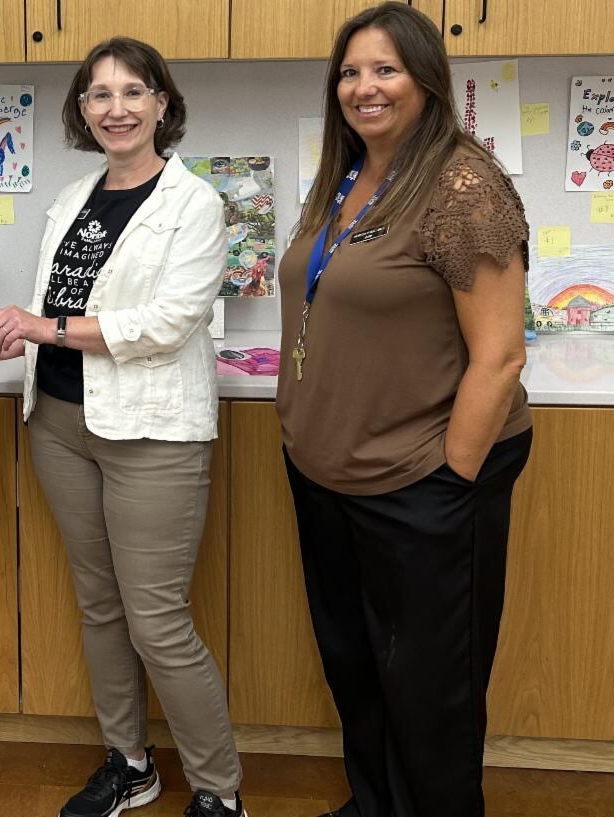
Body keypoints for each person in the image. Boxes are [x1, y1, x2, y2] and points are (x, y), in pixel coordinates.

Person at [0, 37, 245, 817]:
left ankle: (219, 790)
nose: (116, 108)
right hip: (58, 421)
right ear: (82, 110)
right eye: (99, 95)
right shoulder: (74, 196)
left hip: (151, 433)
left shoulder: (195, 204)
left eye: (132, 92)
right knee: (100, 605)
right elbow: (57, 309)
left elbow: (167, 322)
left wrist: (41, 326)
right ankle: (130, 761)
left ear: (161, 104)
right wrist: (0, 342)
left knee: (159, 621)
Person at [275, 4, 533, 816]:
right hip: (328, 473)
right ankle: (375, 804)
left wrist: (451, 478)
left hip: (419, 480)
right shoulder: (347, 174)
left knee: (430, 693)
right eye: (351, 72)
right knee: (356, 670)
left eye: (385, 69)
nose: (365, 87)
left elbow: (500, 354)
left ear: (426, 79)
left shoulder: (463, 184)